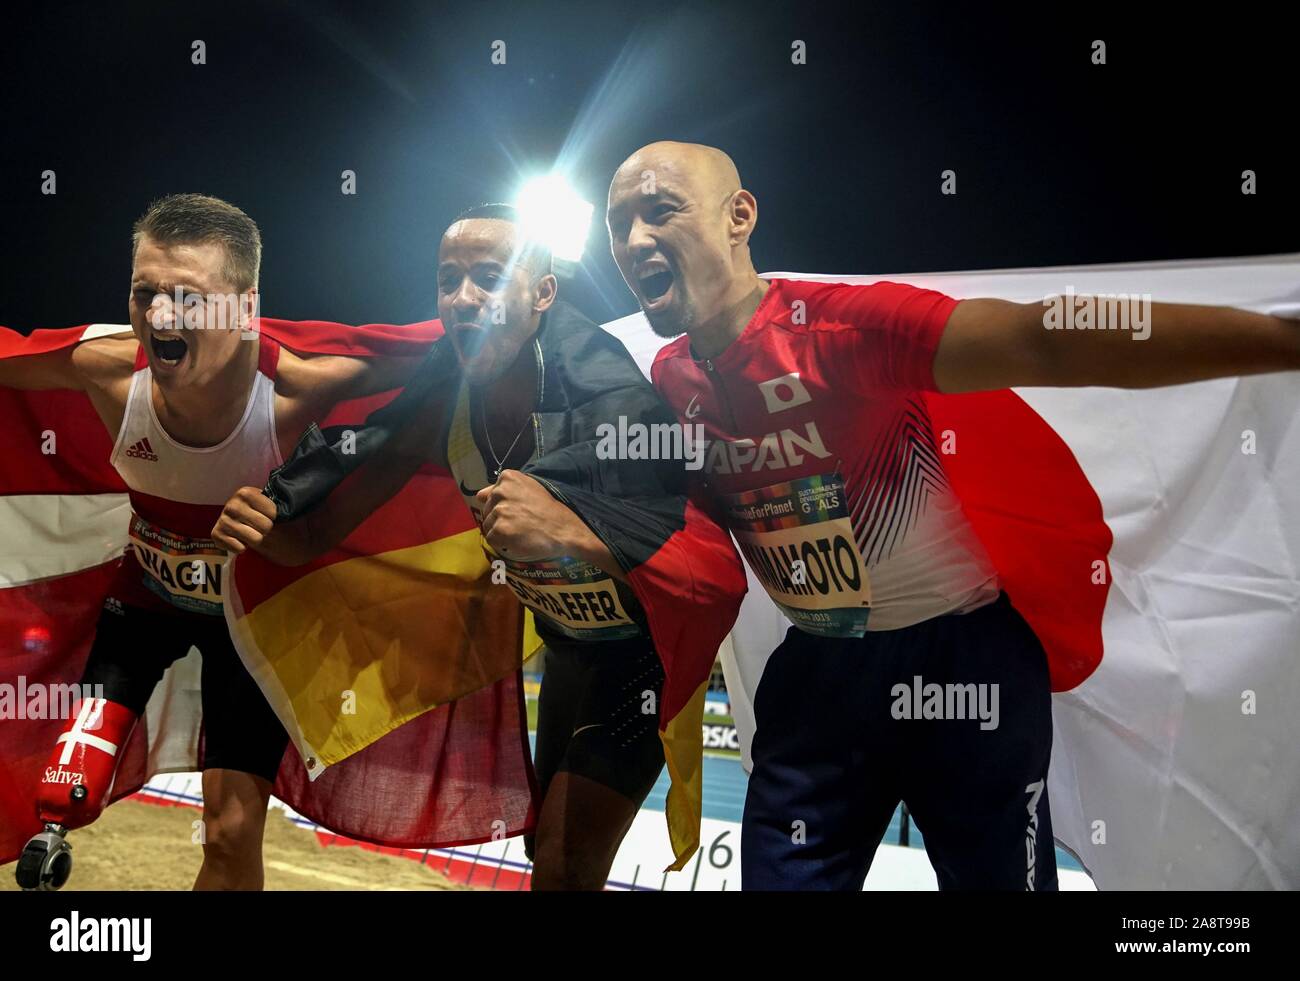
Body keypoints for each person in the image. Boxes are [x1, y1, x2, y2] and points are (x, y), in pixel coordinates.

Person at [605, 140, 1300, 890]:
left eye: (660, 211)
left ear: (738, 215)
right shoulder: (668, 382)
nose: (636, 239)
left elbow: (1047, 340)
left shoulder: (838, 331)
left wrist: (1282, 340)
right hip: (819, 680)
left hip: (968, 666)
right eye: (618, 224)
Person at [213, 204, 683, 890]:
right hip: (571, 649)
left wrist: (564, 529)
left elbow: (689, 563)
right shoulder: (444, 398)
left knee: (564, 859)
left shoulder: (612, 403)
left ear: (542, 294)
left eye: (490, 278)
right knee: (548, 860)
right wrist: (263, 520)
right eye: (448, 280)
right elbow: (315, 534)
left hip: (648, 658)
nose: (464, 299)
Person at [4, 193, 423, 890]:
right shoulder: (107, 368)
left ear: (245, 308)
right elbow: (8, 357)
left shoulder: (300, 387)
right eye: (145, 293)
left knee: (230, 835)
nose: (161, 317)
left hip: (250, 617)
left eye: (189, 299)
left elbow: (448, 364)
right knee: (67, 788)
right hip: (143, 601)